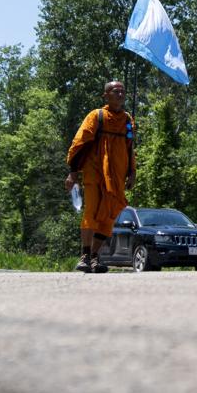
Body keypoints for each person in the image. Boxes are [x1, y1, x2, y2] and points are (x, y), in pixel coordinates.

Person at [65, 81, 136, 274]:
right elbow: (79, 144)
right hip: (95, 171)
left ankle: (95, 257)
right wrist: (73, 172)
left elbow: (130, 147)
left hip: (117, 176)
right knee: (92, 212)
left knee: (109, 215)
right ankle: (85, 256)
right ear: (106, 95)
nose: (120, 94)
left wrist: (132, 172)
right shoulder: (97, 116)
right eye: (116, 91)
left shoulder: (127, 119)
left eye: (122, 91)